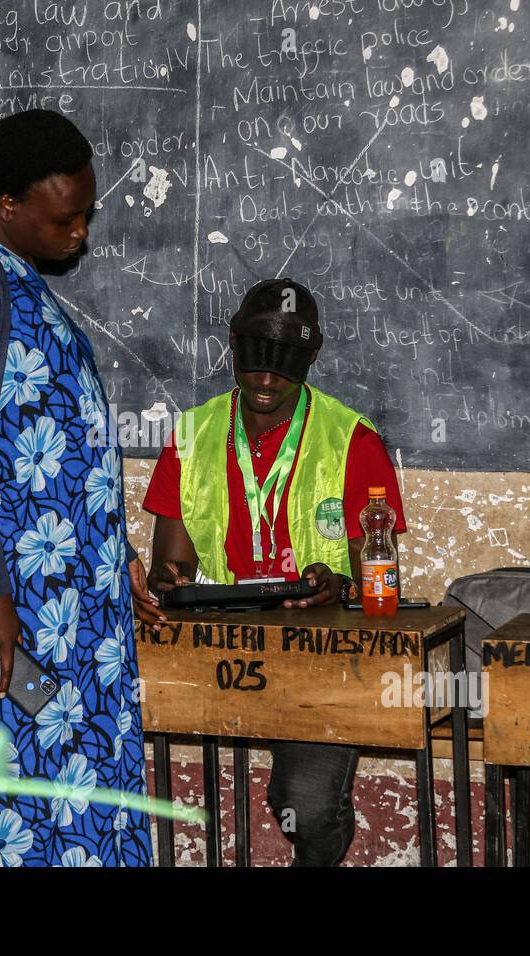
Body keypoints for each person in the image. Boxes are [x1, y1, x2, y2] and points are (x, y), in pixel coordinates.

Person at [0, 109, 162, 867]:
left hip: (63, 599)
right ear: (9, 205)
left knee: (68, 779)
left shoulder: (20, 281)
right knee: (12, 795)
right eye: (64, 218)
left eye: (85, 215)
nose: (79, 233)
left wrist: (115, 552)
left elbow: (57, 439)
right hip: (7, 604)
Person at [142, 278, 408, 866]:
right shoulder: (192, 434)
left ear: (310, 360)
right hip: (219, 642)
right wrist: (171, 579)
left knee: (304, 805)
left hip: (318, 650)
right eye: (254, 362)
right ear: (232, 345)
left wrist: (339, 585)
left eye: (282, 366)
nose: (265, 380)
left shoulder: (353, 440)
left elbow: (379, 576)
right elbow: (171, 563)